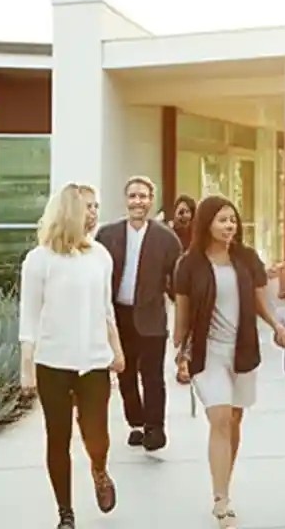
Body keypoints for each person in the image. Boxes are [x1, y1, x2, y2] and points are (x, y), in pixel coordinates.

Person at [173, 194, 285, 529]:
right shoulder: (189, 263)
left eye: (233, 219)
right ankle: (221, 500)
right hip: (207, 353)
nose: (230, 225)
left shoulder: (246, 258)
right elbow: (182, 315)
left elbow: (261, 303)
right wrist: (179, 353)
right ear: (207, 223)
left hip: (242, 351)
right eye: (222, 219)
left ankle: (223, 483)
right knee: (221, 417)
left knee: (234, 421)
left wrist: (278, 328)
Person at [18, 183, 124, 529]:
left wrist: (117, 350)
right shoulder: (39, 260)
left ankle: (99, 469)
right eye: (87, 207)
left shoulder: (100, 256)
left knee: (97, 435)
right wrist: (27, 368)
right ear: (68, 211)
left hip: (94, 362)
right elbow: (29, 318)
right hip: (53, 364)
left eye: (96, 206)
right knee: (58, 437)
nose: (94, 213)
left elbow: (106, 309)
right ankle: (65, 513)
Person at [95, 176, 184, 452]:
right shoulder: (106, 235)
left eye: (143, 196)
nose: (138, 202)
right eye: (133, 196)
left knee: (153, 376)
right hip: (117, 316)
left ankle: (155, 428)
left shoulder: (167, 239)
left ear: (151, 201)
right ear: (126, 200)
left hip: (152, 317)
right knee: (126, 373)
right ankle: (136, 423)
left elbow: (176, 283)